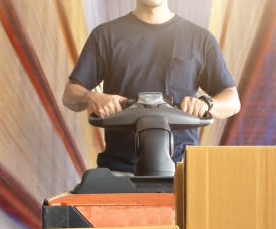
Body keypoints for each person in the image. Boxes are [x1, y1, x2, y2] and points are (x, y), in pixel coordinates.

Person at [63, 0, 240, 173]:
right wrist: (92, 97)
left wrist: (206, 103)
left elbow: (232, 100)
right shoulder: (105, 35)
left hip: (183, 171)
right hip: (119, 171)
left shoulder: (200, 39)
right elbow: (70, 95)